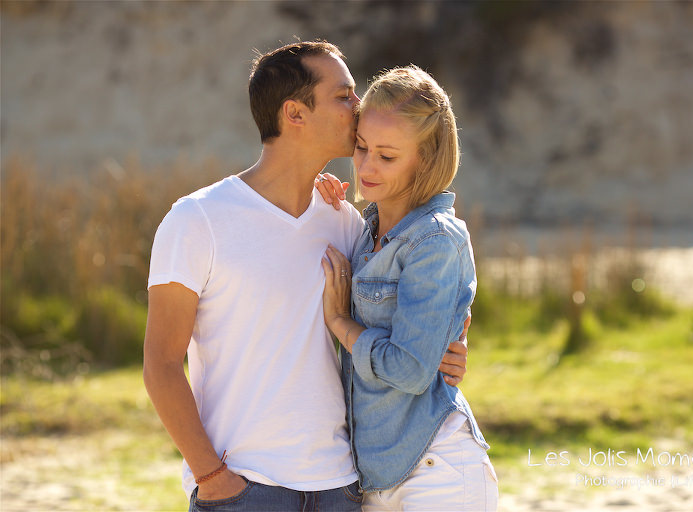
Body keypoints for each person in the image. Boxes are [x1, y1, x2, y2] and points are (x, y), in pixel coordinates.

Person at [143, 41, 469, 511]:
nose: (359, 107)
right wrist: (212, 477)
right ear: (295, 113)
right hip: (245, 487)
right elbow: (161, 365)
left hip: (343, 486)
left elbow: (408, 324)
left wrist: (450, 348)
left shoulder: (347, 223)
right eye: (344, 95)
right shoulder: (197, 220)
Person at [321, 65, 499, 511]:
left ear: (426, 158)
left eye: (387, 156)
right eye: (361, 148)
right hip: (374, 476)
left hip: (437, 468)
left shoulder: (435, 240)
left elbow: (409, 369)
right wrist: (320, 204)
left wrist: (341, 323)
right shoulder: (364, 229)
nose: (365, 166)